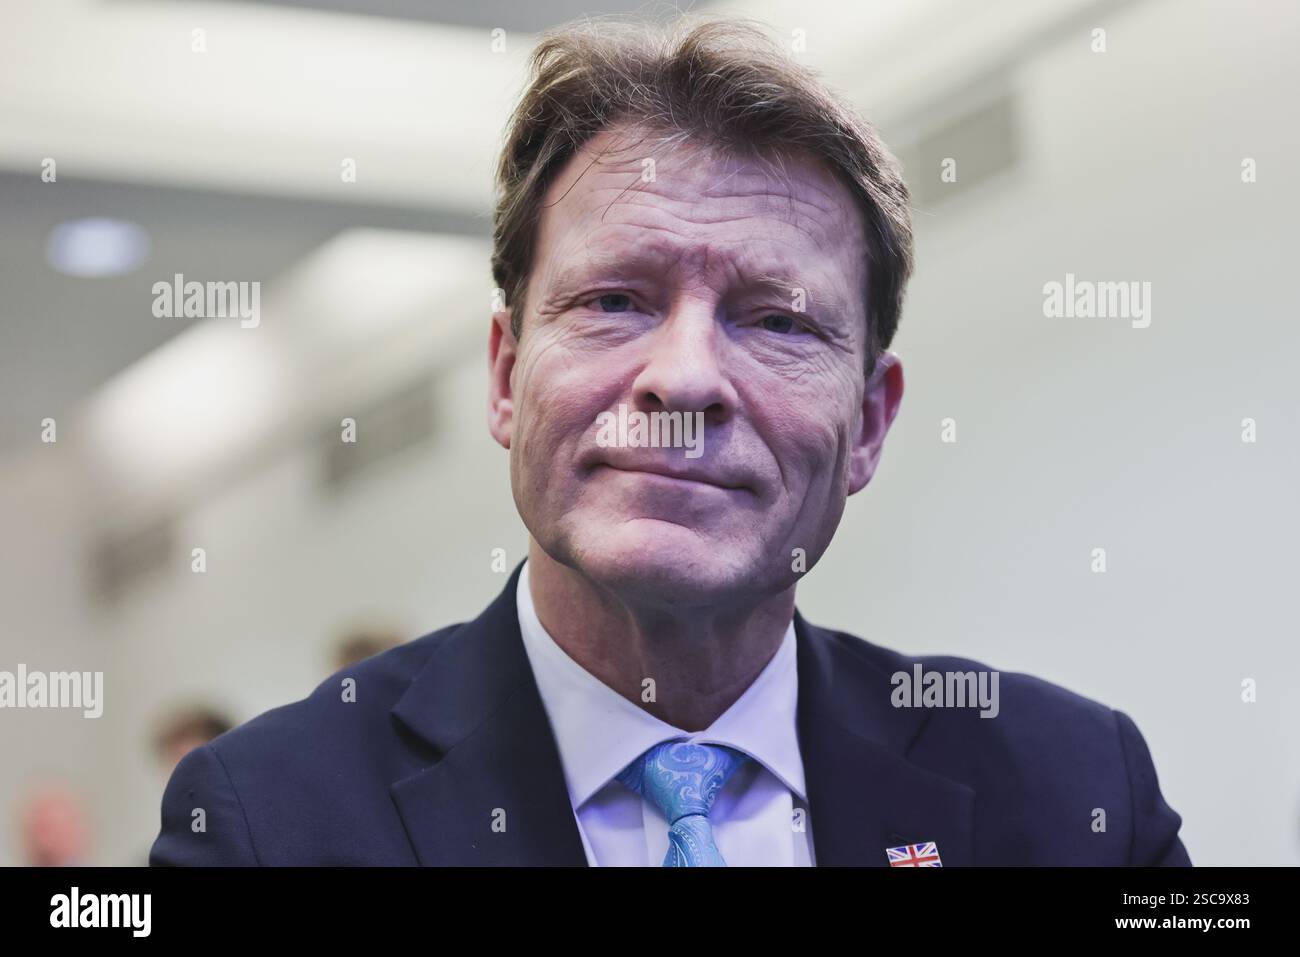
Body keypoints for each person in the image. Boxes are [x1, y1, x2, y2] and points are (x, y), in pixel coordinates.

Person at [151, 17, 1190, 867]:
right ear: (508, 376)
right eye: (613, 300)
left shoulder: (1074, 797)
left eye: (778, 320)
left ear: (869, 423)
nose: (684, 380)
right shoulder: (270, 823)